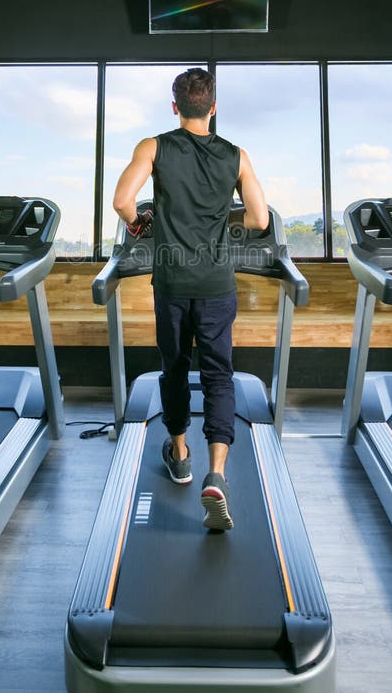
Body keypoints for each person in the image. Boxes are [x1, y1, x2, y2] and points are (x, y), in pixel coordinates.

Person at [112, 67, 268, 531]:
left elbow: (122, 202)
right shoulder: (237, 156)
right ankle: (216, 473)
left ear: (175, 107)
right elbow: (259, 219)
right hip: (216, 284)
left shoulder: (153, 147)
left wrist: (138, 224)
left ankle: (180, 455)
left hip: (173, 283)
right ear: (213, 107)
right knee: (219, 375)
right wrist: (222, 220)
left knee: (175, 368)